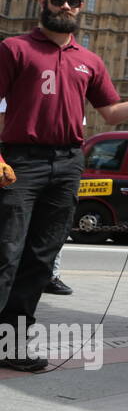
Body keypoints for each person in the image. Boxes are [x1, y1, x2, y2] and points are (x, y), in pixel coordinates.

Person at [0, 0, 128, 371]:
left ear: (81, 8)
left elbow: (111, 113)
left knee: (40, 259)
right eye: (58, 1)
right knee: (6, 252)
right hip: (20, 162)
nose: (66, 8)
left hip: (68, 162)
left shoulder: (90, 60)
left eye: (73, 3)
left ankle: (11, 345)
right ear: (43, 2)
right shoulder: (15, 48)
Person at [0, 97, 72, 296]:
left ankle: (49, 276)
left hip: (58, 164)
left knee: (46, 234)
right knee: (9, 244)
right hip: (18, 159)